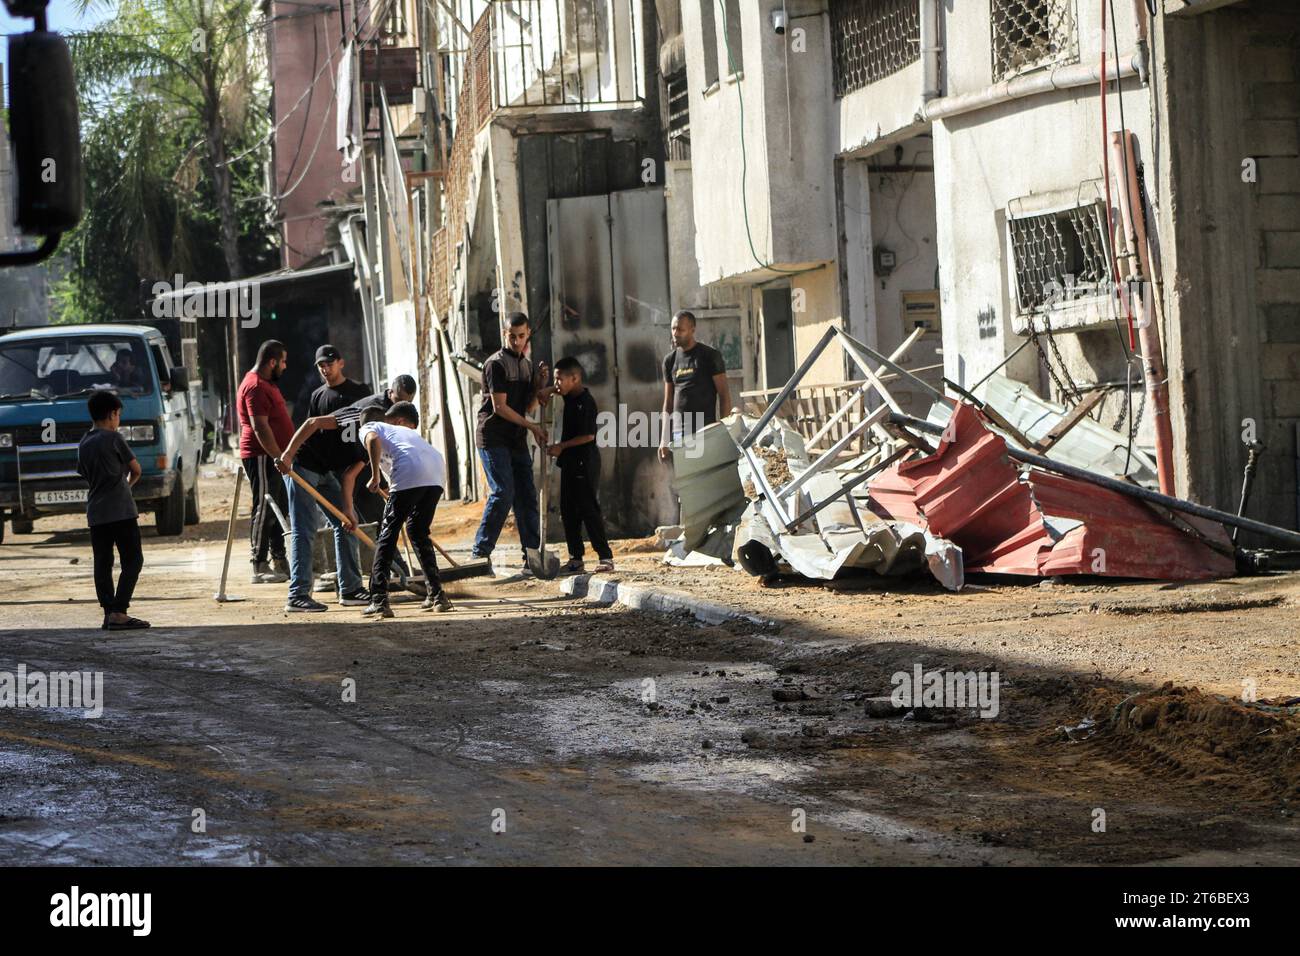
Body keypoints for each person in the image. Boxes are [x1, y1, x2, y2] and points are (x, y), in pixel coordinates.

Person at [276, 345, 373, 611]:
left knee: (347, 522)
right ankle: (297, 594)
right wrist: (287, 456)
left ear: (341, 363)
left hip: (328, 471)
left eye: (329, 363)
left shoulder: (359, 394)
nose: (325, 369)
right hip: (304, 467)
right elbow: (309, 428)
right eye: (320, 365)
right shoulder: (318, 396)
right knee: (304, 531)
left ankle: (351, 589)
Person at [470, 313, 551, 570]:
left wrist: (540, 385)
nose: (516, 341)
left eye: (521, 336)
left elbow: (528, 406)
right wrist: (532, 427)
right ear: (504, 334)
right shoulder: (496, 364)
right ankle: (480, 553)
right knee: (503, 492)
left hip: (516, 439)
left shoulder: (527, 366)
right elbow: (500, 407)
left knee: (527, 495)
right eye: (511, 336)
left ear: (528, 335)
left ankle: (532, 556)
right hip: (493, 437)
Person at [358, 403, 453, 618]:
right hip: (436, 472)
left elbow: (372, 441)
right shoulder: (400, 432)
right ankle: (437, 595)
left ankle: (379, 599)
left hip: (412, 471)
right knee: (418, 531)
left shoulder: (369, 427)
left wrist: (374, 476)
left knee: (387, 534)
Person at [77, 390, 148, 630]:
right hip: (121, 509)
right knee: (133, 559)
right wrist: (125, 487)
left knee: (103, 563)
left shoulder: (84, 442)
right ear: (112, 414)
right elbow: (136, 470)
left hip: (96, 511)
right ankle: (120, 610)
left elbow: (85, 474)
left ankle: (108, 612)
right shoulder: (114, 439)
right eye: (118, 415)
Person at [547, 357, 613, 575]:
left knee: (588, 508)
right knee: (568, 510)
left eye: (559, 379)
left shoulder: (585, 401)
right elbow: (558, 391)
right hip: (570, 463)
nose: (556, 384)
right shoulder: (570, 396)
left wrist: (561, 446)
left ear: (574, 378)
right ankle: (576, 558)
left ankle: (605, 557)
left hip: (584, 462)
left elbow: (588, 435)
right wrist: (547, 390)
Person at [236, 340, 292, 585]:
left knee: (277, 508)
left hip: (273, 456)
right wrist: (277, 455)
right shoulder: (255, 387)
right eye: (283, 361)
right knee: (264, 506)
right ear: (272, 362)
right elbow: (259, 426)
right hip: (261, 455)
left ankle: (279, 559)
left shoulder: (267, 384)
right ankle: (258, 563)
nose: (285, 366)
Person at [658, 310, 733, 463]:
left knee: (706, 477)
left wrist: (723, 433)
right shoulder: (669, 361)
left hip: (705, 431)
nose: (675, 333)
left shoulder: (709, 356)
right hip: (679, 434)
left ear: (692, 330)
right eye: (673, 328)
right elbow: (668, 403)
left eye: (680, 329)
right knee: (682, 480)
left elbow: (724, 396)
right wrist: (664, 439)